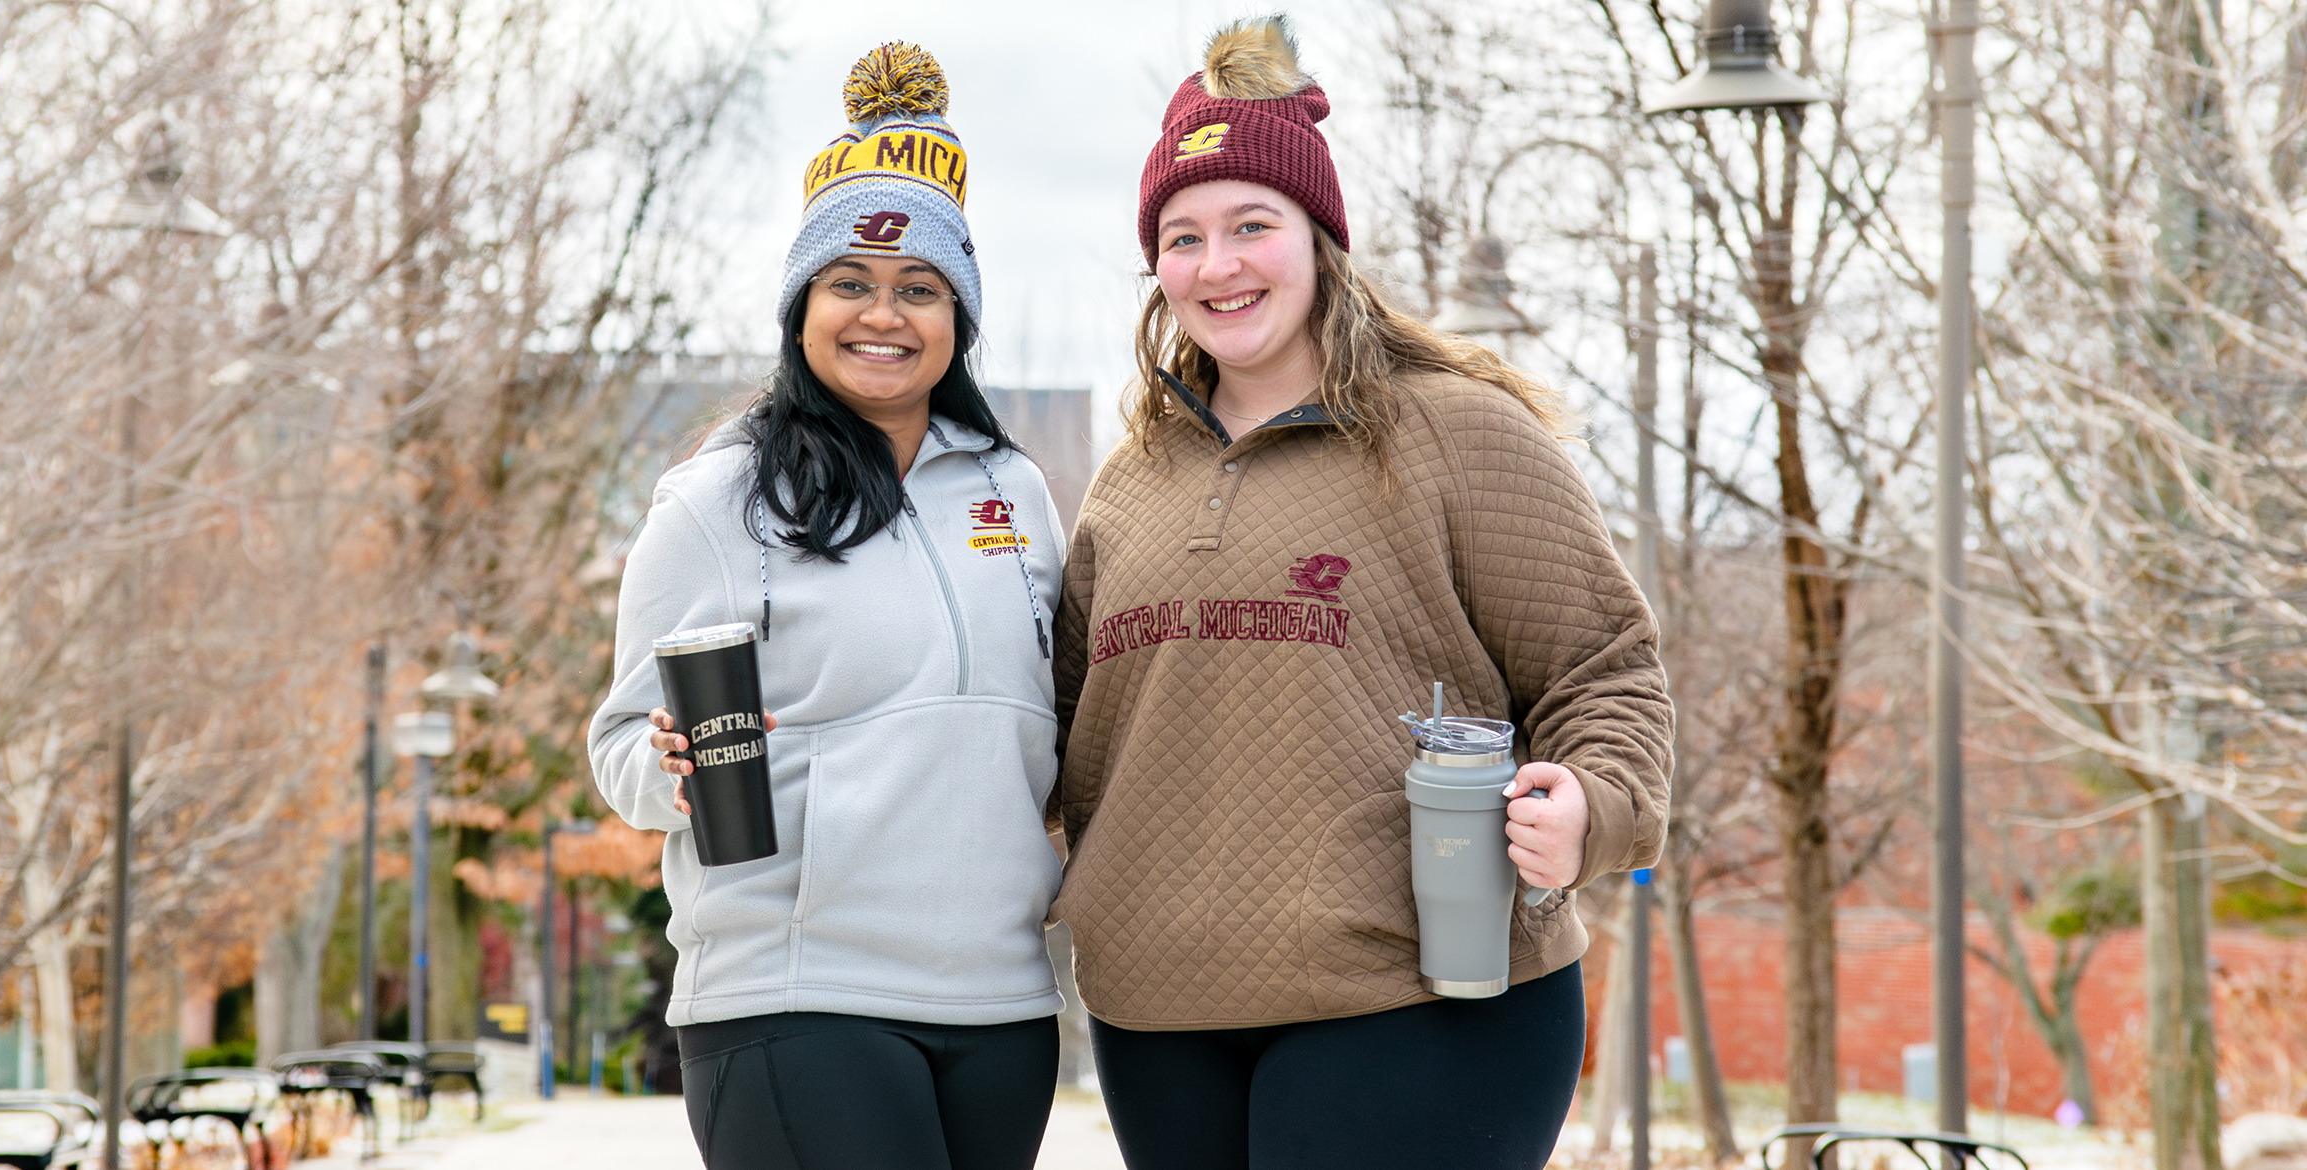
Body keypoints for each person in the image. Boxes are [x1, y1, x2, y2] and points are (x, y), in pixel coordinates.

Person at [1049, 17, 1674, 1170]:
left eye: (1252, 225)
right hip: (1159, 1014)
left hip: (1424, 994)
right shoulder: (1128, 485)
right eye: (1181, 238)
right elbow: (1054, 736)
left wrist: (1593, 804)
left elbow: (1606, 667)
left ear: (1321, 238)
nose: (1217, 265)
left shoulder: (1459, 432)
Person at [589, 43, 1065, 1170]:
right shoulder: (720, 498)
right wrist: (674, 768)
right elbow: (621, 747)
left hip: (1002, 1001)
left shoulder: (1017, 490)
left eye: (919, 289)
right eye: (848, 282)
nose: (881, 315)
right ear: (802, 305)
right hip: (795, 991)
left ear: (959, 314)